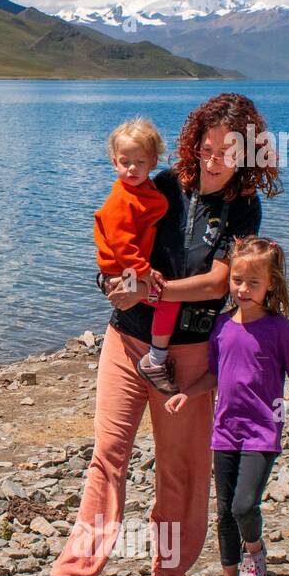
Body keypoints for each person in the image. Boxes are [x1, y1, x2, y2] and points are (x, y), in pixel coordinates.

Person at [36, 93, 281, 576]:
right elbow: (114, 240)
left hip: (191, 353)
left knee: (183, 466)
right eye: (206, 149)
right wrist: (112, 284)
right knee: (108, 455)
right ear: (193, 143)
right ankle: (75, 574)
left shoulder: (242, 207)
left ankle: (171, 572)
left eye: (227, 153)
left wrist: (156, 291)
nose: (213, 161)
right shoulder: (161, 184)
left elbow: (219, 282)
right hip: (127, 339)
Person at [165, 236, 289, 576]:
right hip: (225, 432)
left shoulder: (278, 328)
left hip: (263, 431)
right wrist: (188, 392)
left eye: (253, 282)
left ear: (271, 285)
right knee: (224, 512)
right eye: (237, 280)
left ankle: (256, 551)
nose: (243, 289)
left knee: (244, 505)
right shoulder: (220, 326)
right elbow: (216, 375)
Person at [93, 118, 181, 394]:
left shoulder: (144, 190)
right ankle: (155, 359)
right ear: (114, 161)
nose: (132, 168)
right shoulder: (122, 199)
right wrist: (143, 272)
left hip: (130, 268)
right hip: (123, 271)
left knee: (162, 300)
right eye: (124, 161)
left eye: (140, 162)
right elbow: (122, 245)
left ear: (153, 162)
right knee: (167, 302)